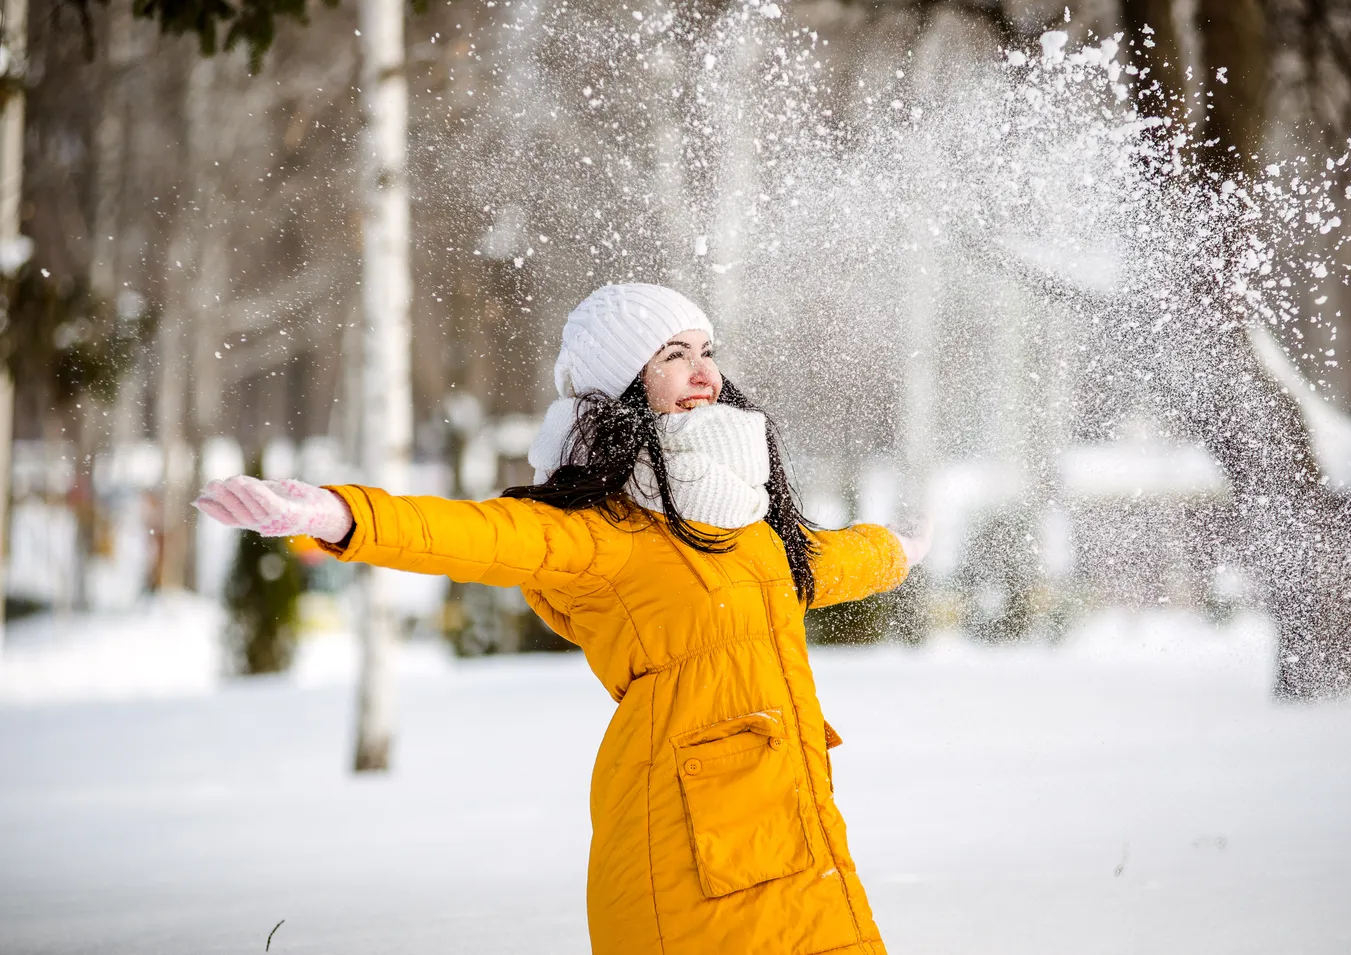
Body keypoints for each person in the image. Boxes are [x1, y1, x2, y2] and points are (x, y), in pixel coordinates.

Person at [196, 283, 931, 955]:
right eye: (673, 356)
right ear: (622, 388)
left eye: (706, 351)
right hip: (690, 856)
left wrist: (896, 548)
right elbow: (477, 534)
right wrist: (343, 513)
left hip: (794, 839)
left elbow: (817, 562)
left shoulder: (744, 517)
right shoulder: (604, 534)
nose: (704, 370)